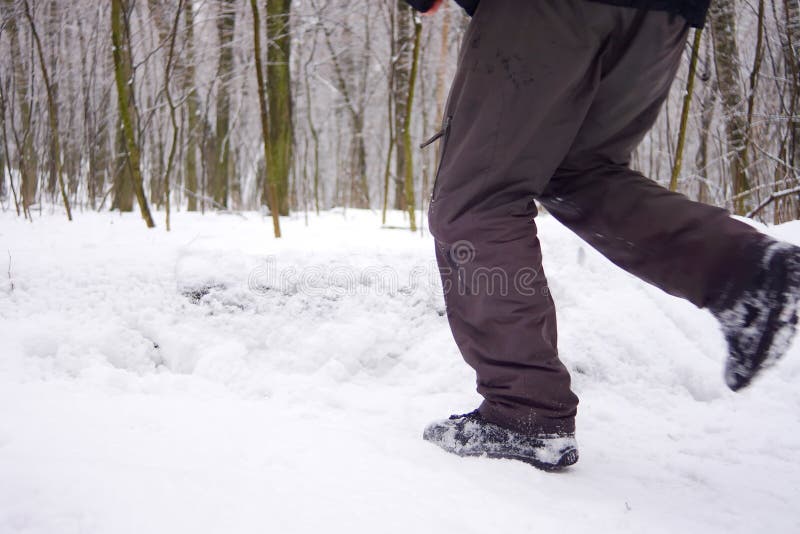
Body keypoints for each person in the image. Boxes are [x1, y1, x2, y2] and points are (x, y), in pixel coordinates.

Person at [404, 0, 800, 471]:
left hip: (549, 13)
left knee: (476, 201)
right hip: (662, 15)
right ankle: (748, 274)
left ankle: (522, 414)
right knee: (581, 174)